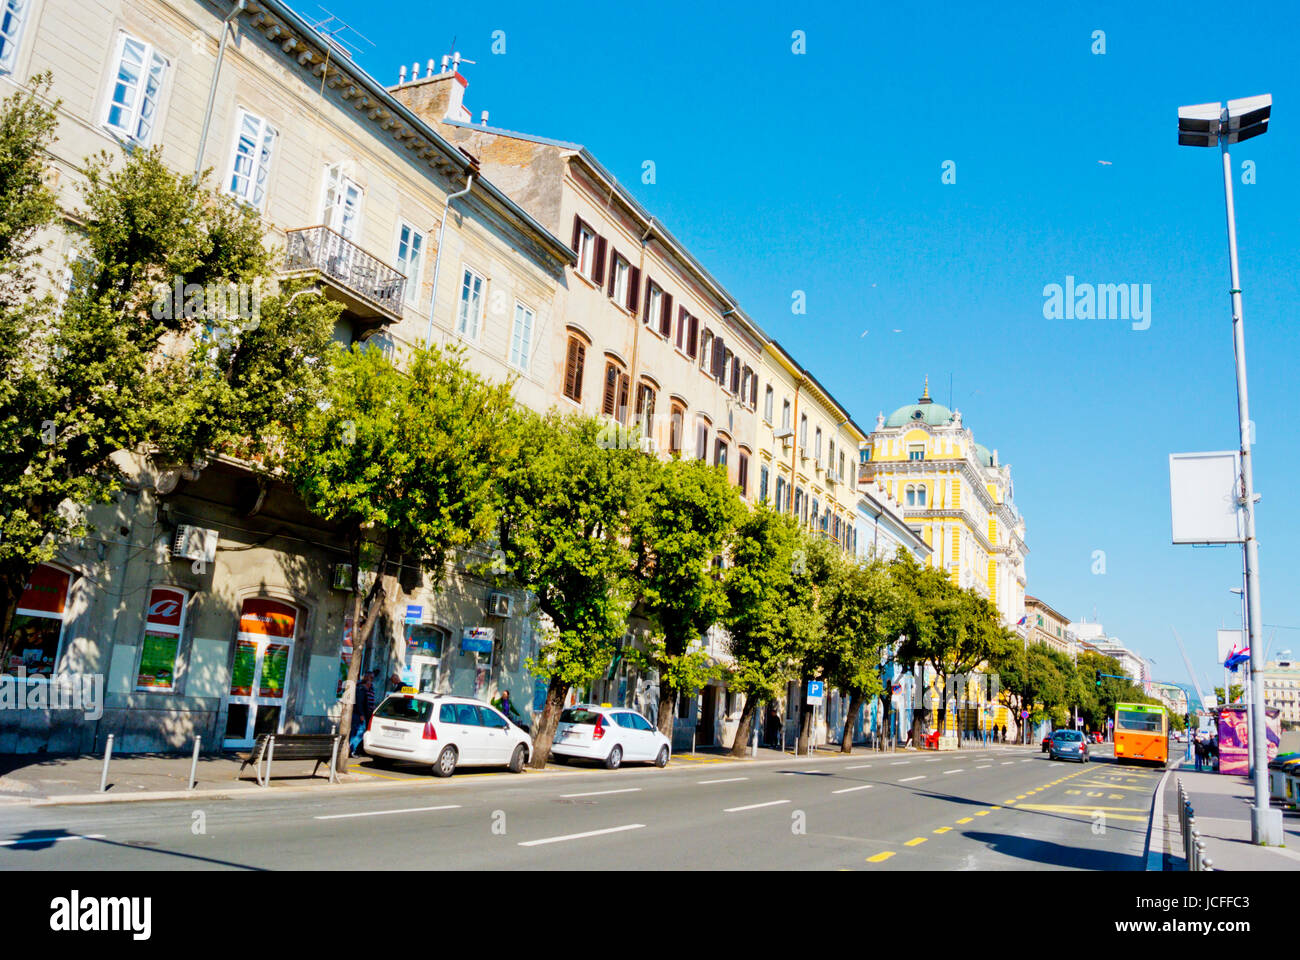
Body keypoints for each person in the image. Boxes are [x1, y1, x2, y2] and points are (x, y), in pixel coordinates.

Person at [349, 672, 376, 756]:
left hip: (359, 713)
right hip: (360, 714)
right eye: (370, 679)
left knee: (354, 732)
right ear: (367, 684)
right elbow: (360, 703)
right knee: (360, 732)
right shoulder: (361, 690)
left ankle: (350, 749)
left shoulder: (360, 689)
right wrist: (361, 714)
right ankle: (351, 749)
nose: (370, 686)